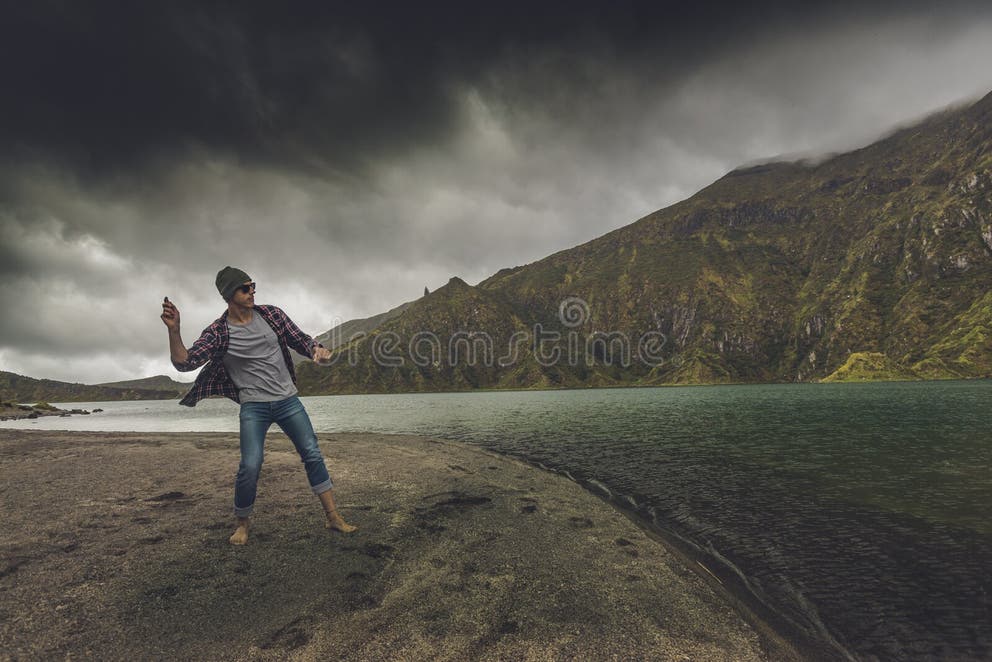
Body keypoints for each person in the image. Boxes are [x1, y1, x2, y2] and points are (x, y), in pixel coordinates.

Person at [160, 266, 356, 545]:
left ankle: (333, 517)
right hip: (254, 406)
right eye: (245, 288)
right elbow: (184, 362)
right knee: (250, 464)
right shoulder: (218, 332)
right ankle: (242, 524)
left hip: (288, 401)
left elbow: (300, 339)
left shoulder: (272, 315)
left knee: (312, 453)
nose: (252, 291)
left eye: (253, 286)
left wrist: (317, 350)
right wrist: (175, 330)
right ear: (229, 294)